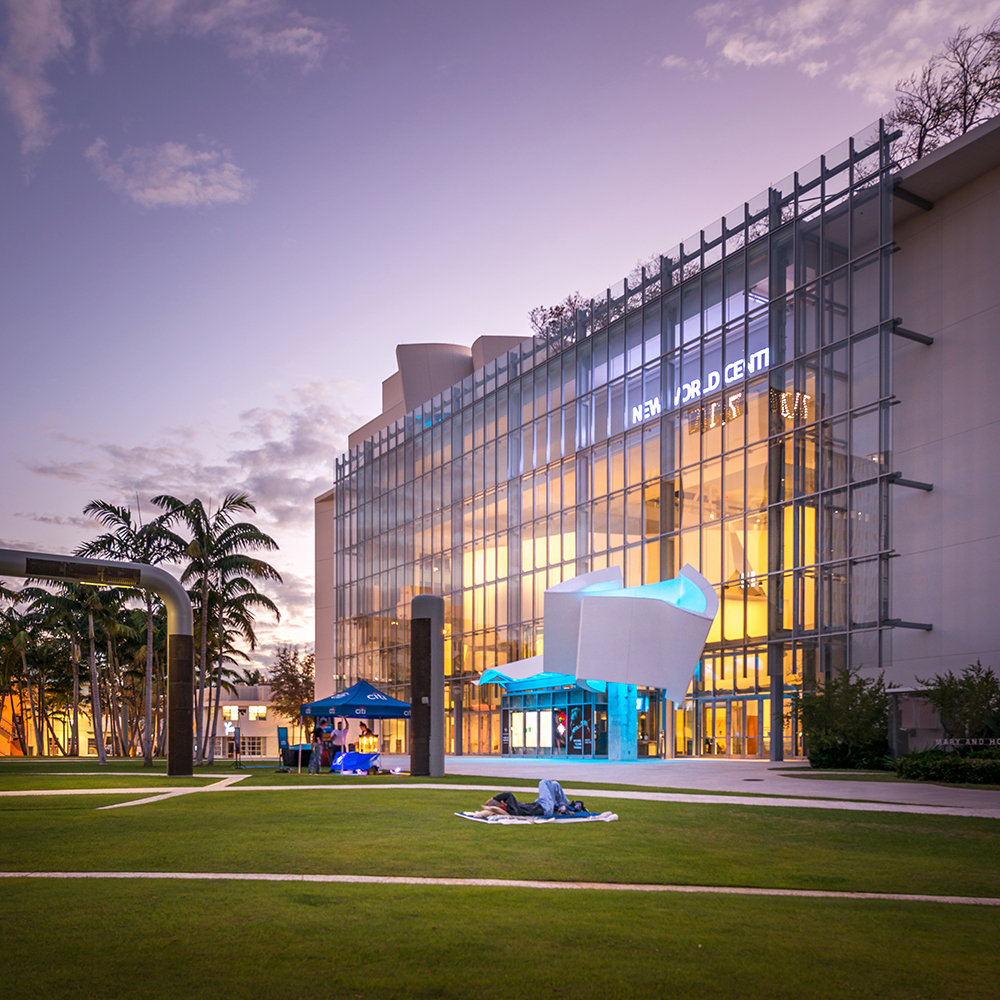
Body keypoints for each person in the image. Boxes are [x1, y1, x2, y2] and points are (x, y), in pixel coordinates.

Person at [483, 780, 583, 817]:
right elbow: (509, 794)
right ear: (501, 805)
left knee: (554, 784)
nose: (504, 801)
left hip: (538, 805)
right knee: (543, 783)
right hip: (544, 809)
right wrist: (494, 798)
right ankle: (562, 807)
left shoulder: (510, 807)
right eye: (501, 802)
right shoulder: (511, 809)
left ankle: (562, 807)